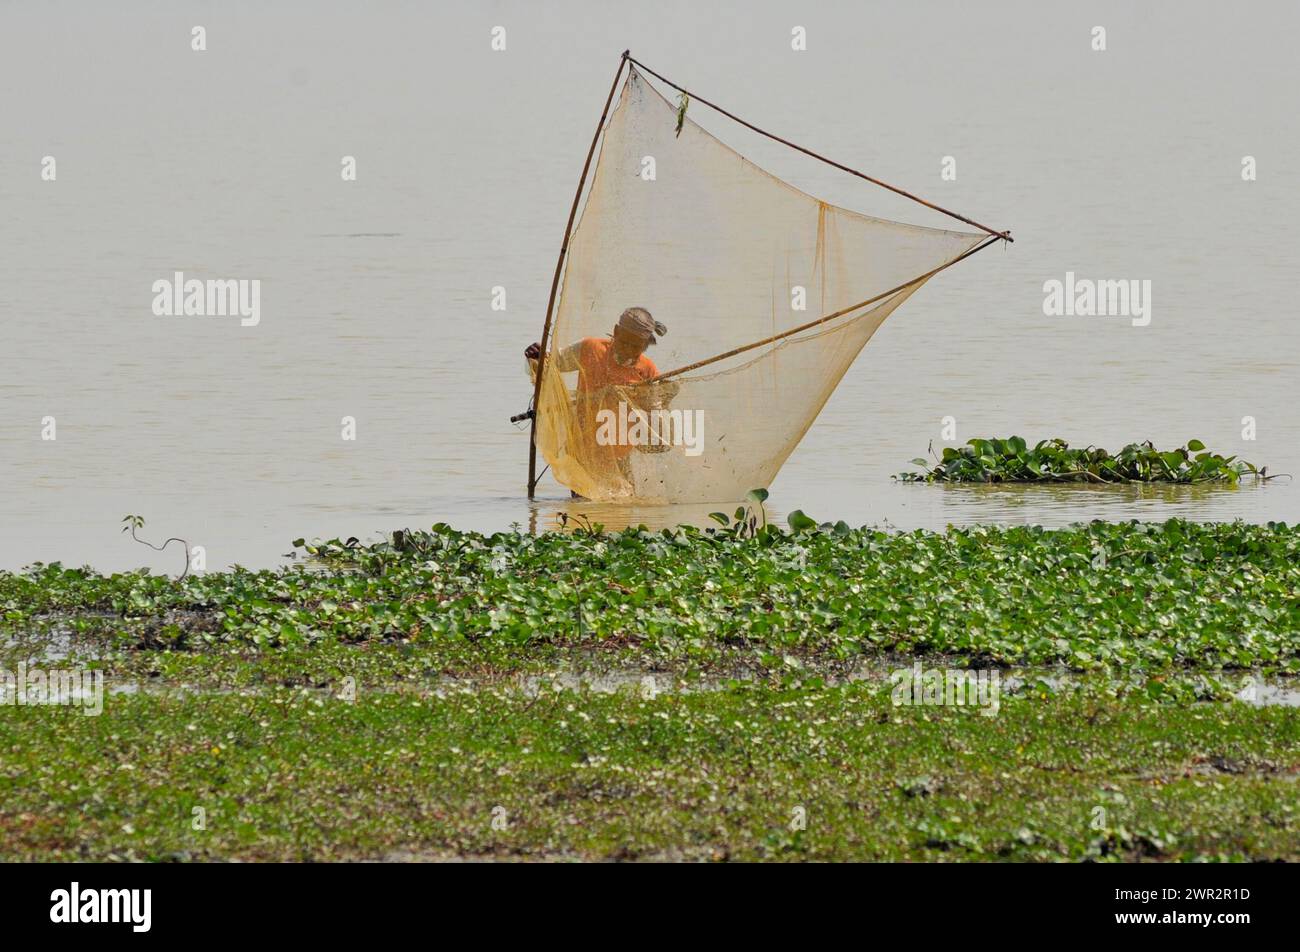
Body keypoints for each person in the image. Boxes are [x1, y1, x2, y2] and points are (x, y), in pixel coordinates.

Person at [525, 307, 674, 493]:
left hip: (619, 455)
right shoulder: (590, 348)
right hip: (583, 452)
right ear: (616, 332)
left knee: (624, 508)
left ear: (645, 345)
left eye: (636, 346)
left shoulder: (647, 370)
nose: (629, 350)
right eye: (625, 343)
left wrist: (665, 399)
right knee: (584, 513)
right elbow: (554, 363)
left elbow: (655, 411)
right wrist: (536, 356)